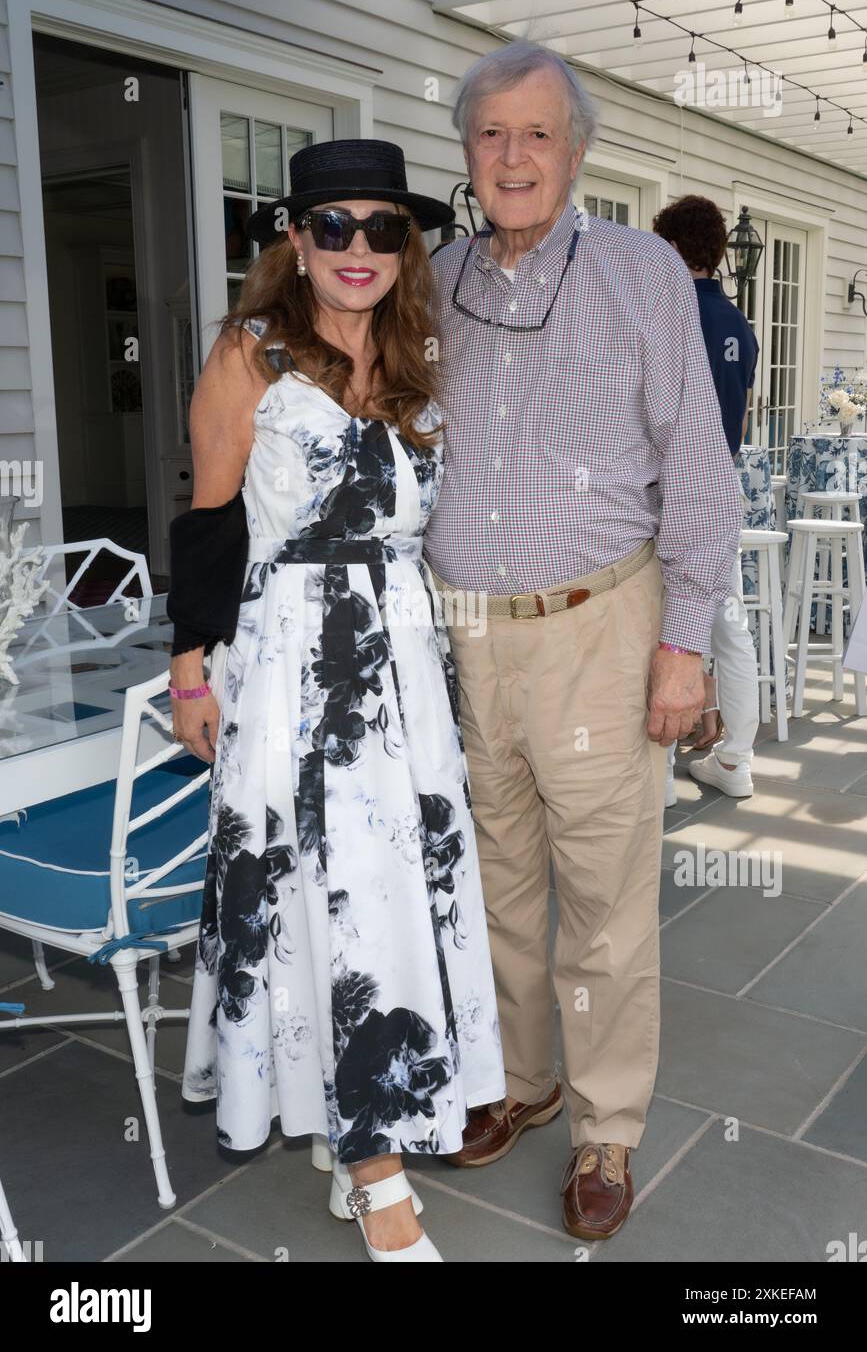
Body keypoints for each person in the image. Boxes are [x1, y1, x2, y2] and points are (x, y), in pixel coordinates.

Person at [423, 41, 742, 1240]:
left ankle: (605, 1128)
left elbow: (700, 469)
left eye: (537, 133)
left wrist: (687, 641)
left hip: (602, 624)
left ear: (579, 147)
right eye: (491, 134)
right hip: (470, 635)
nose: (513, 156)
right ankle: (521, 1078)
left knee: (603, 895)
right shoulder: (436, 276)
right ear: (467, 152)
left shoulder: (642, 274)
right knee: (500, 876)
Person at [169, 139, 506, 1263]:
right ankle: (379, 1180)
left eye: (382, 227)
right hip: (290, 668)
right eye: (332, 226)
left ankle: (351, 1119)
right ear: (295, 240)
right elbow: (210, 524)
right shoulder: (250, 354)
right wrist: (188, 668)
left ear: (406, 244)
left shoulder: (418, 358)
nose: (357, 248)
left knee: (389, 897)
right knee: (334, 897)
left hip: (404, 665)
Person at [653, 195, 761, 800]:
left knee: (659, 631)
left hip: (665, 492)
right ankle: (737, 760)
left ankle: (661, 773)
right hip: (719, 487)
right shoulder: (740, 326)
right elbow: (740, 424)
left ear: (668, 246)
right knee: (728, 628)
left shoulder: (665, 314)